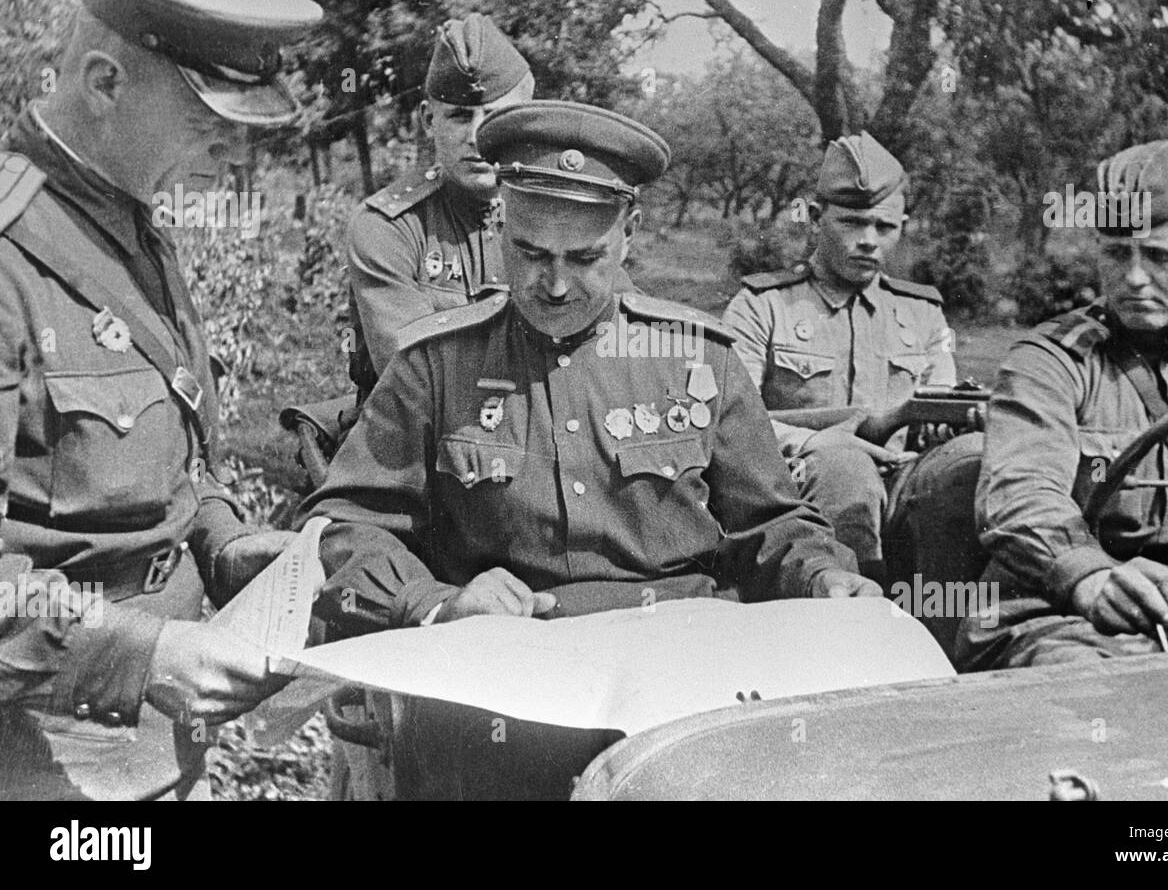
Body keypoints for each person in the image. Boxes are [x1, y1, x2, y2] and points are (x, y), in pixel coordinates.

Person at [298, 101, 879, 798]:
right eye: (532, 254)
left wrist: (820, 574)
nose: (557, 284)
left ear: (628, 234)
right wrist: (436, 601)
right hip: (502, 703)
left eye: (585, 257)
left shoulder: (697, 358)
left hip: (682, 688)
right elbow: (343, 528)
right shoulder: (437, 363)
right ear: (500, 225)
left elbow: (770, 525)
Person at [0, 0, 322, 800]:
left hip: (163, 740)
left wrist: (226, 542)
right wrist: (144, 657)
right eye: (209, 121)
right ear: (105, 82)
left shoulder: (134, 230)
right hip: (41, 759)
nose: (236, 155)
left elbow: (168, 457)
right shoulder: (11, 254)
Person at [956, 136, 1168, 671]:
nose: (1135, 278)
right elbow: (1021, 493)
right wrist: (1088, 575)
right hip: (1056, 611)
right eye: (1117, 254)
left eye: (1161, 256)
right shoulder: (1051, 361)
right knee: (1095, 702)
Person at [723, 131, 956, 579]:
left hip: (903, 479)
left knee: (966, 468)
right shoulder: (763, 305)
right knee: (846, 469)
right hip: (795, 483)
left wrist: (948, 430)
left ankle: (948, 633)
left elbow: (941, 404)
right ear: (814, 217)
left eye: (884, 227)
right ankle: (845, 622)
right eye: (852, 222)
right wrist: (817, 440)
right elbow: (732, 423)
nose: (869, 240)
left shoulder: (922, 312)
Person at [345, 13, 533, 400]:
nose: (477, 138)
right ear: (429, 120)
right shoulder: (388, 227)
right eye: (460, 117)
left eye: (496, 118)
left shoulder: (554, 217)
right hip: (414, 445)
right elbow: (413, 379)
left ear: (526, 121)